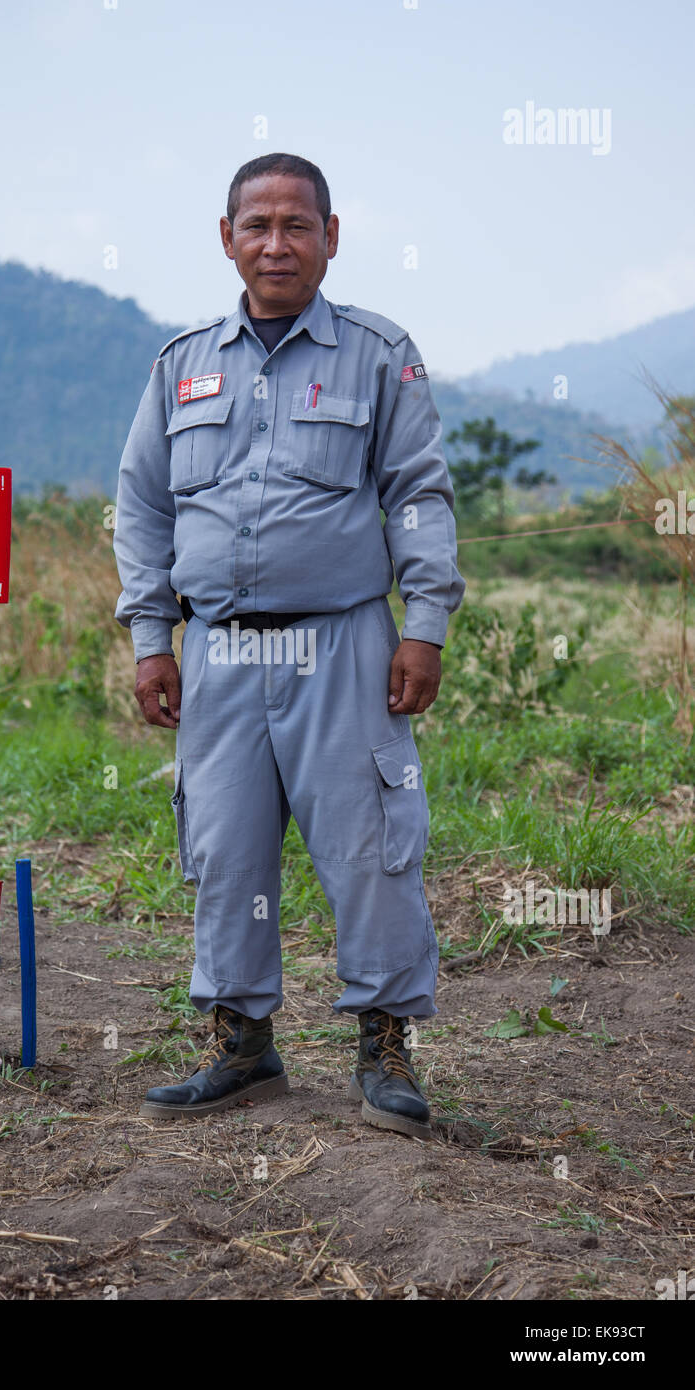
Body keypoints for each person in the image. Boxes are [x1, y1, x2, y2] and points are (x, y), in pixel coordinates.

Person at [113, 152, 465, 1137]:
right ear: (226, 237)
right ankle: (242, 1040)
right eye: (256, 225)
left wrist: (423, 626)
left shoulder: (376, 351)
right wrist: (153, 638)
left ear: (330, 236)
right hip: (220, 652)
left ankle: (383, 1043)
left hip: (344, 644)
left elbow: (418, 493)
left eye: (295, 225)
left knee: (368, 848)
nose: (276, 243)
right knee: (222, 846)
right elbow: (140, 507)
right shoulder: (180, 363)